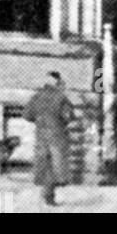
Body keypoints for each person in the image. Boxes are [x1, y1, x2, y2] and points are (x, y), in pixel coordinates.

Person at [25, 70, 74, 207]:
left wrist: (39, 120)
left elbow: (27, 115)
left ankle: (46, 193)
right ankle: (49, 196)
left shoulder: (37, 96)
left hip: (41, 136)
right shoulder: (61, 97)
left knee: (44, 165)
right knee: (55, 167)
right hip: (57, 137)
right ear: (57, 82)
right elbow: (68, 116)